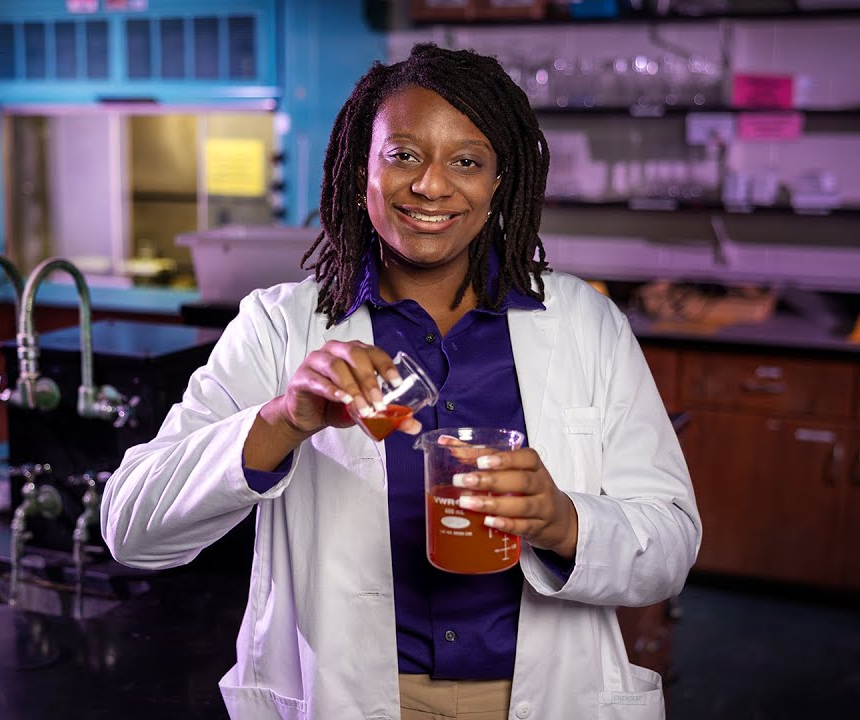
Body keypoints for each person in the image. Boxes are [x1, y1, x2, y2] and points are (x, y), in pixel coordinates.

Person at [102, 43, 701, 720]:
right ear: (365, 167)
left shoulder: (586, 325)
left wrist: (563, 521)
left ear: (500, 181)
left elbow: (670, 545)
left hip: (542, 699)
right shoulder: (279, 327)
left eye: (467, 161)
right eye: (404, 154)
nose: (432, 186)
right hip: (346, 700)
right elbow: (131, 529)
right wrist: (281, 422)